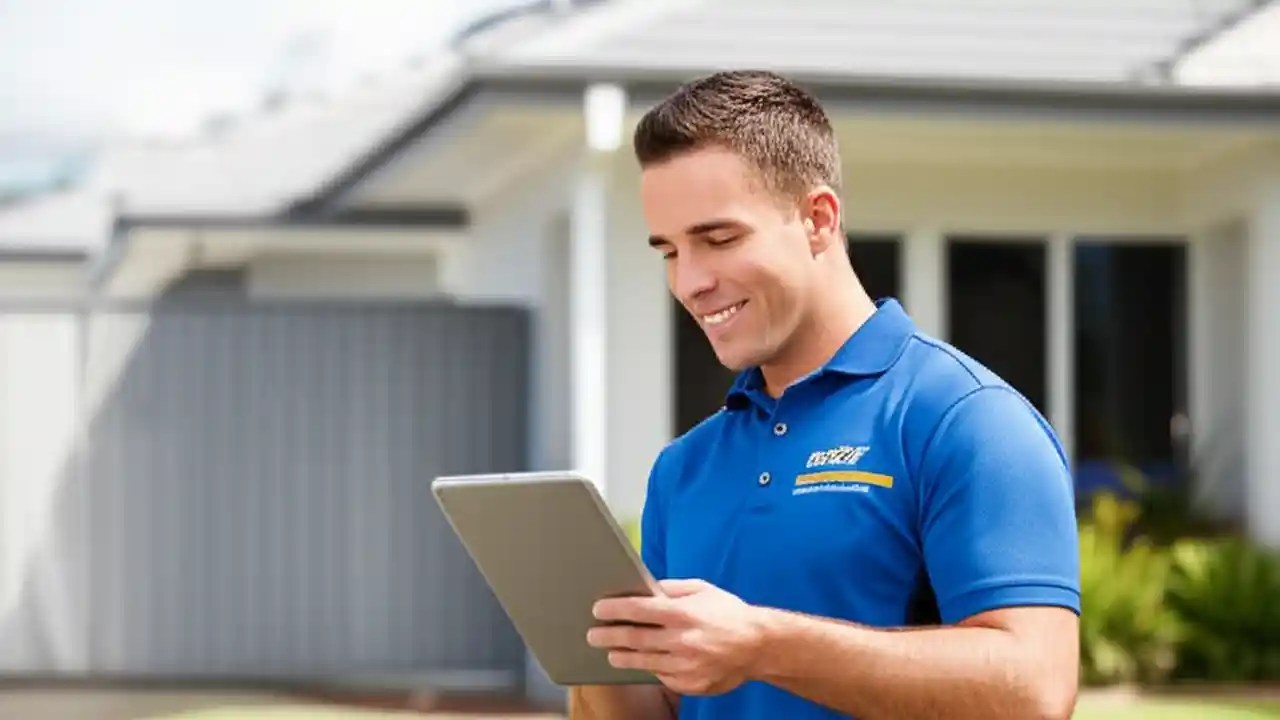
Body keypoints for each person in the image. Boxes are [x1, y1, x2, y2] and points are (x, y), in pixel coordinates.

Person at [569, 70, 1080, 720]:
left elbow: (1034, 689)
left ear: (817, 220)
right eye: (669, 251)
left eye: (718, 239)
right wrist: (592, 657)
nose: (690, 282)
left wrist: (762, 644)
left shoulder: (969, 422)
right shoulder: (683, 469)